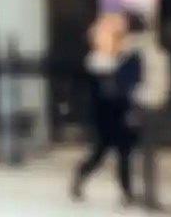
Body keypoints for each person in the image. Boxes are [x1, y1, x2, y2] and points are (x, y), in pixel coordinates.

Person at [71, 13, 141, 208]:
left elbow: (131, 84)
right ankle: (80, 178)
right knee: (99, 153)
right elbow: (92, 93)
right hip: (104, 115)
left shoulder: (126, 59)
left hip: (121, 113)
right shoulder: (94, 62)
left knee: (124, 155)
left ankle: (127, 192)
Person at [124, 13, 171, 210]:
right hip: (149, 103)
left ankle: (138, 193)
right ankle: (147, 195)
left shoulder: (138, 49)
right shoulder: (147, 50)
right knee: (147, 152)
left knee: (139, 151)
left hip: (145, 102)